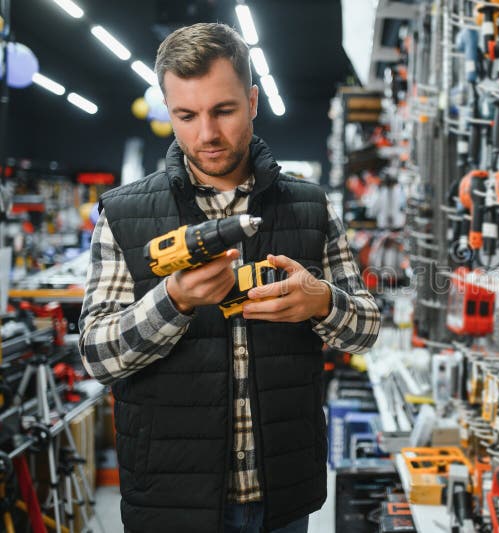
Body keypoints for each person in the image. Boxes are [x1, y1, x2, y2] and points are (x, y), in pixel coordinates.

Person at [79, 22, 380, 533]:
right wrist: (172, 300)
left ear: (253, 101)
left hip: (283, 496)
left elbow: (368, 329)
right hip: (171, 501)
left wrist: (322, 302)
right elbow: (97, 356)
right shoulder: (123, 213)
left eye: (224, 110)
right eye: (186, 115)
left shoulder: (309, 206)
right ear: (168, 110)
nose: (207, 134)